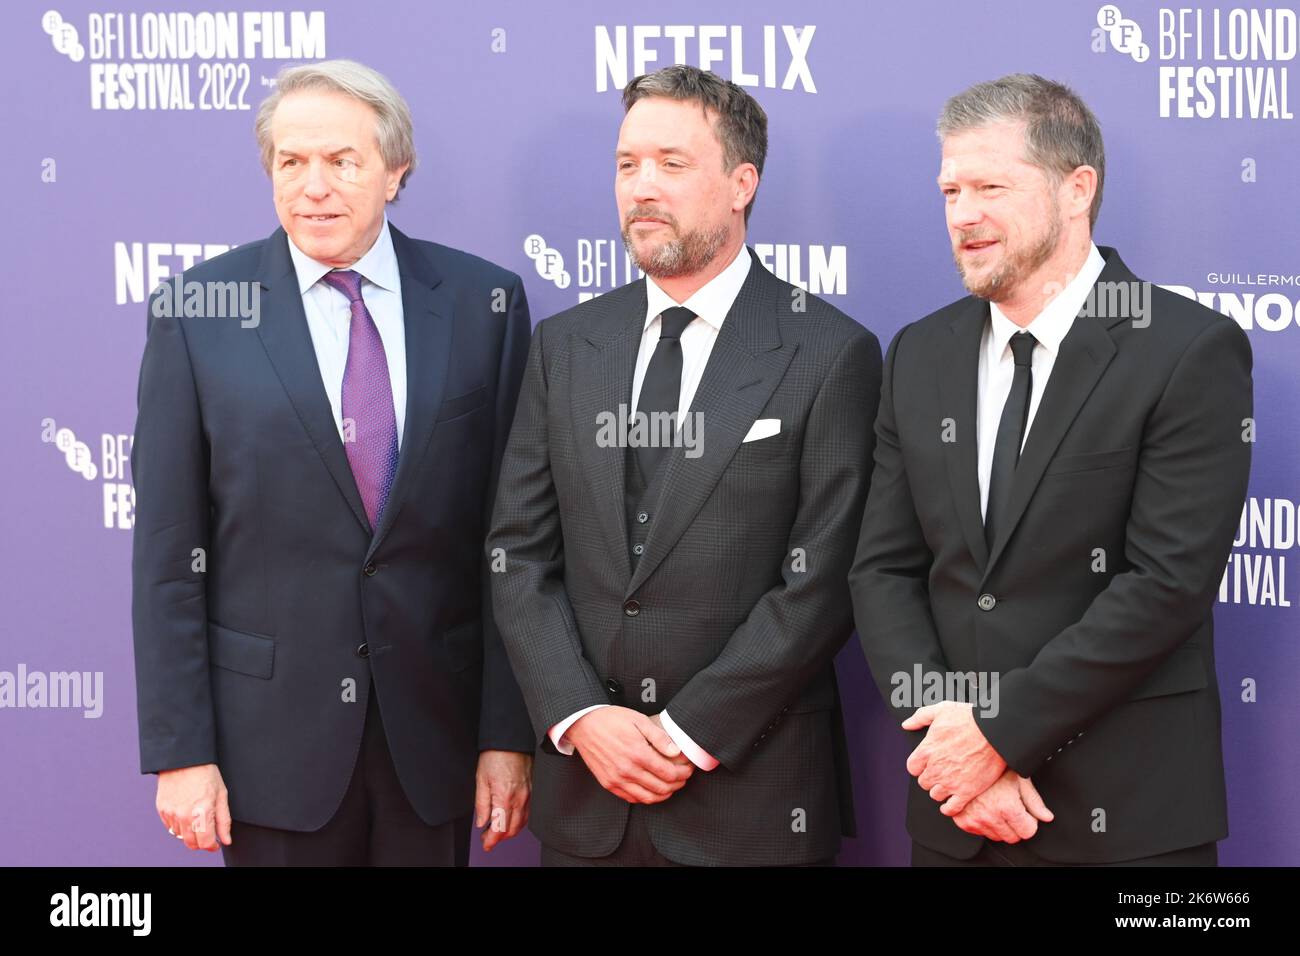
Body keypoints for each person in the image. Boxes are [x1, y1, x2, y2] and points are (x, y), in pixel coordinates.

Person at [131, 59, 534, 865]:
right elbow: (169, 555)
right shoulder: (199, 312)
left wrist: (506, 733)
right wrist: (181, 750)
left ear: (395, 171)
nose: (313, 186)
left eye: (342, 161)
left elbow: (513, 543)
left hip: (435, 744)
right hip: (268, 753)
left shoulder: (482, 305)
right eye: (291, 162)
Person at [849, 73, 1252, 866]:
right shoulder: (920, 352)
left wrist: (997, 732)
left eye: (990, 185)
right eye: (950, 189)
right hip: (956, 814)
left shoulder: (1186, 348)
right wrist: (955, 745)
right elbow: (883, 570)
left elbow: (1166, 582)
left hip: (1128, 819)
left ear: (1077, 190)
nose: (963, 214)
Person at [487, 64, 881, 866]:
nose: (641, 188)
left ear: (742, 183)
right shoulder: (567, 346)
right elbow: (519, 554)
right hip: (586, 805)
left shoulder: (829, 352)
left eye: (672, 164)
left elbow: (823, 581)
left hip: (751, 804)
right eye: (627, 164)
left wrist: (684, 732)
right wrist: (579, 717)